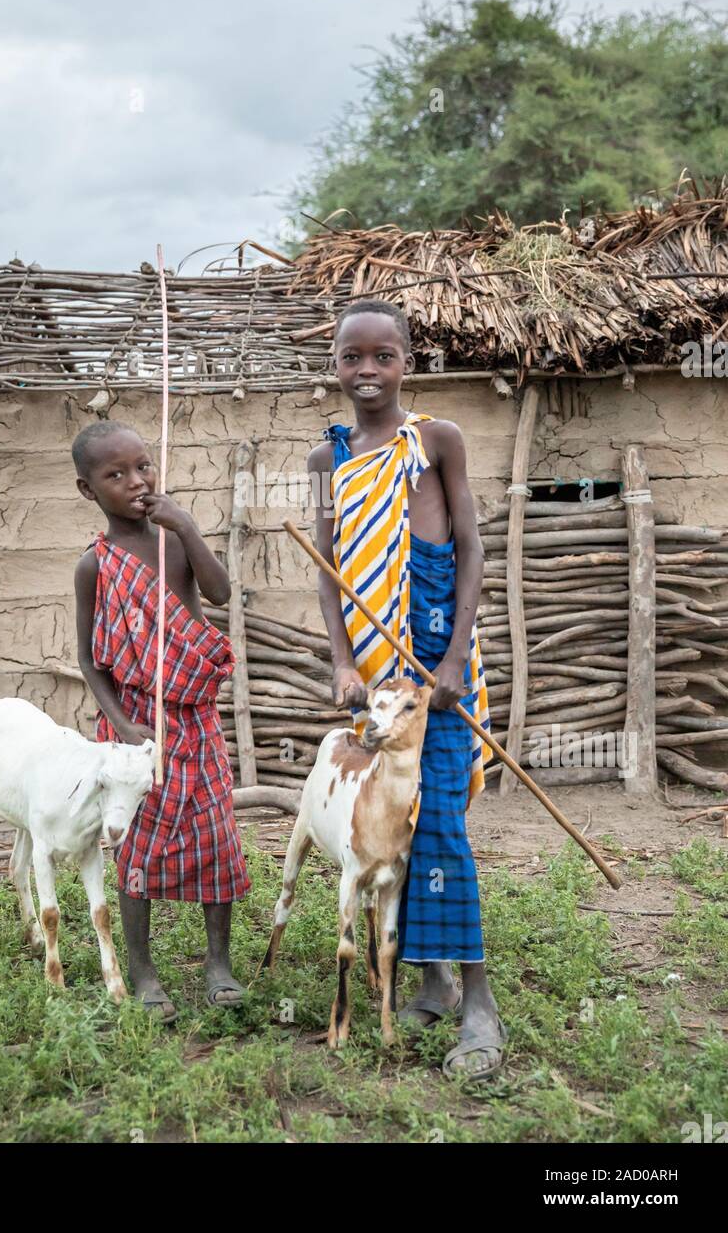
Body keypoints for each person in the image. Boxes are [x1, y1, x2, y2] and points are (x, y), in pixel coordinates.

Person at [306, 299, 507, 1078]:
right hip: (376, 674)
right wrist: (341, 662)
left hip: (436, 669)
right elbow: (327, 573)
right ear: (335, 363)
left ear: (407, 362)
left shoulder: (437, 440)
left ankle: (478, 1002)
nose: (366, 371)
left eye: (382, 356)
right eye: (352, 357)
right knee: (394, 821)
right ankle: (428, 983)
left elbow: (470, 548)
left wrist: (455, 657)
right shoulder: (327, 462)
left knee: (442, 824)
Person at [73, 421, 250, 1020]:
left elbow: (221, 594)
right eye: (115, 475)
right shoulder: (94, 567)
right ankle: (143, 971)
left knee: (217, 838)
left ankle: (218, 961)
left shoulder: (175, 542)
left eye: (143, 466)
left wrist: (188, 527)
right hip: (135, 730)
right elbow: (90, 662)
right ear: (86, 489)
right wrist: (123, 727)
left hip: (195, 721)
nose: (135, 481)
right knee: (137, 845)